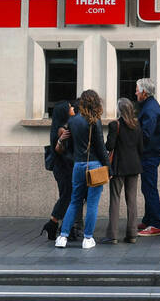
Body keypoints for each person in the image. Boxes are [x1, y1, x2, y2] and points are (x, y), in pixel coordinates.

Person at [55, 89, 110, 250]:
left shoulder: (72, 121)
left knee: (75, 201)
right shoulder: (95, 120)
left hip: (78, 165)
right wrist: (109, 168)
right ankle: (87, 238)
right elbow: (100, 147)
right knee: (92, 204)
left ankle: (63, 236)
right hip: (94, 165)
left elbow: (69, 148)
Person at [103, 97, 144, 244]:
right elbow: (141, 148)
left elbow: (109, 146)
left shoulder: (115, 125)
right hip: (134, 166)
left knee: (115, 199)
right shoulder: (137, 124)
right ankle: (132, 233)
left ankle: (112, 235)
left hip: (118, 167)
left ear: (119, 110)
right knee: (131, 200)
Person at [135, 78, 160, 237]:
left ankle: (155, 223)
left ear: (144, 93)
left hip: (150, 154)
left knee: (149, 187)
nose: (135, 93)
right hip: (151, 153)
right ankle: (148, 219)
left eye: (137, 90)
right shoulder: (149, 106)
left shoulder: (149, 109)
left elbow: (145, 135)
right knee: (146, 187)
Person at [42, 100, 75, 241]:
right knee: (67, 196)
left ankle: (62, 226)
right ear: (64, 112)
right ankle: (53, 223)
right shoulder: (62, 130)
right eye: (70, 107)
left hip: (61, 167)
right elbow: (61, 150)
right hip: (64, 167)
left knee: (66, 196)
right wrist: (61, 140)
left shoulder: (59, 127)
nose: (73, 108)